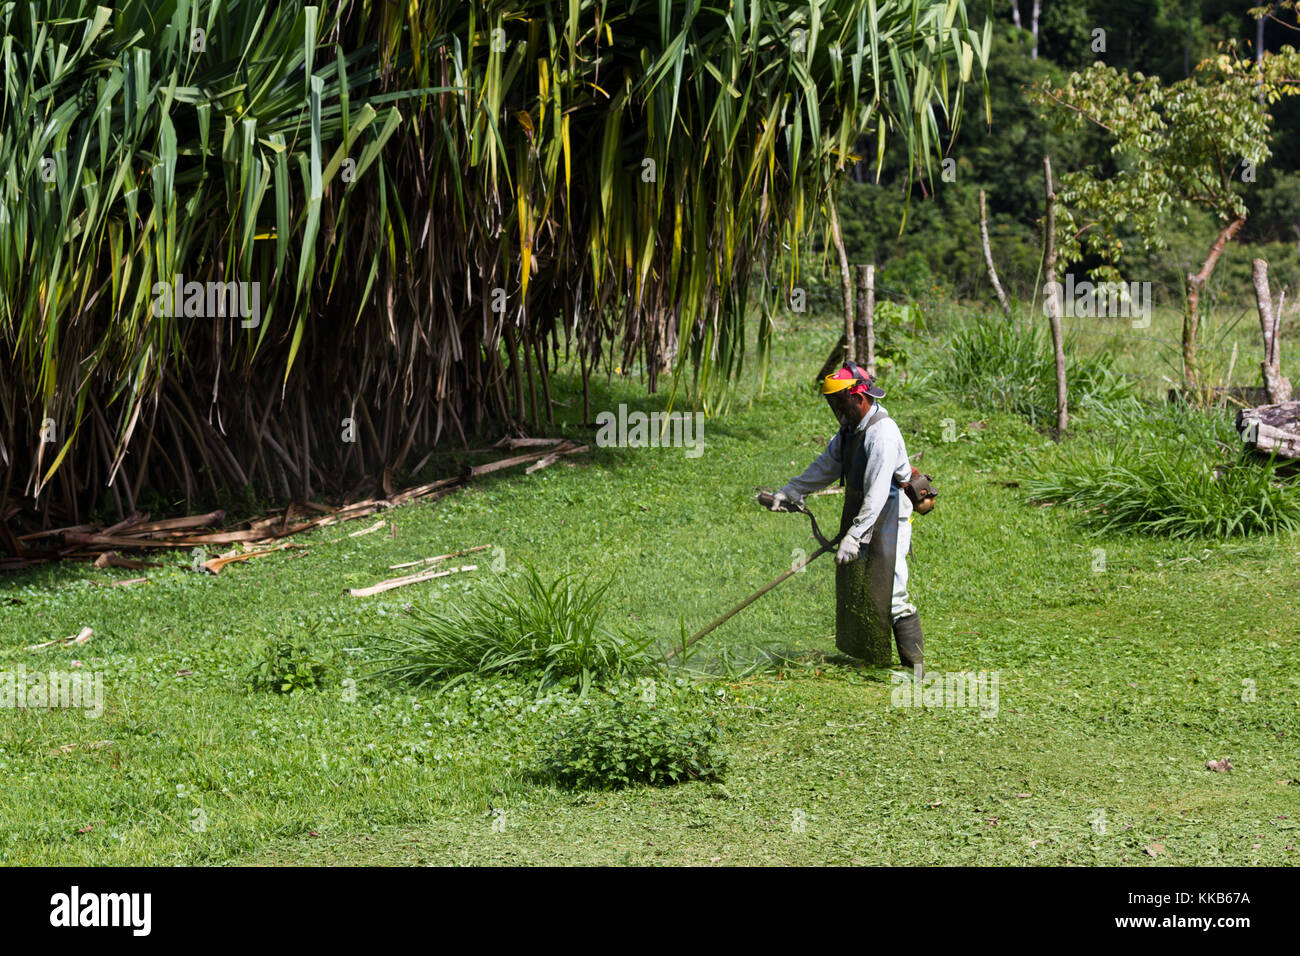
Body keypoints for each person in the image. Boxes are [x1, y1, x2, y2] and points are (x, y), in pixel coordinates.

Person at [768, 362, 924, 675]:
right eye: (833, 402)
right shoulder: (850, 430)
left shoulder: (883, 435)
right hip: (864, 516)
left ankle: (915, 667)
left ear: (859, 396)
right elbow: (826, 466)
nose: (837, 407)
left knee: (892, 590)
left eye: (841, 400)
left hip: (890, 515)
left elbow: (879, 492)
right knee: (860, 584)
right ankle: (868, 656)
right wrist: (792, 490)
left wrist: (854, 537)